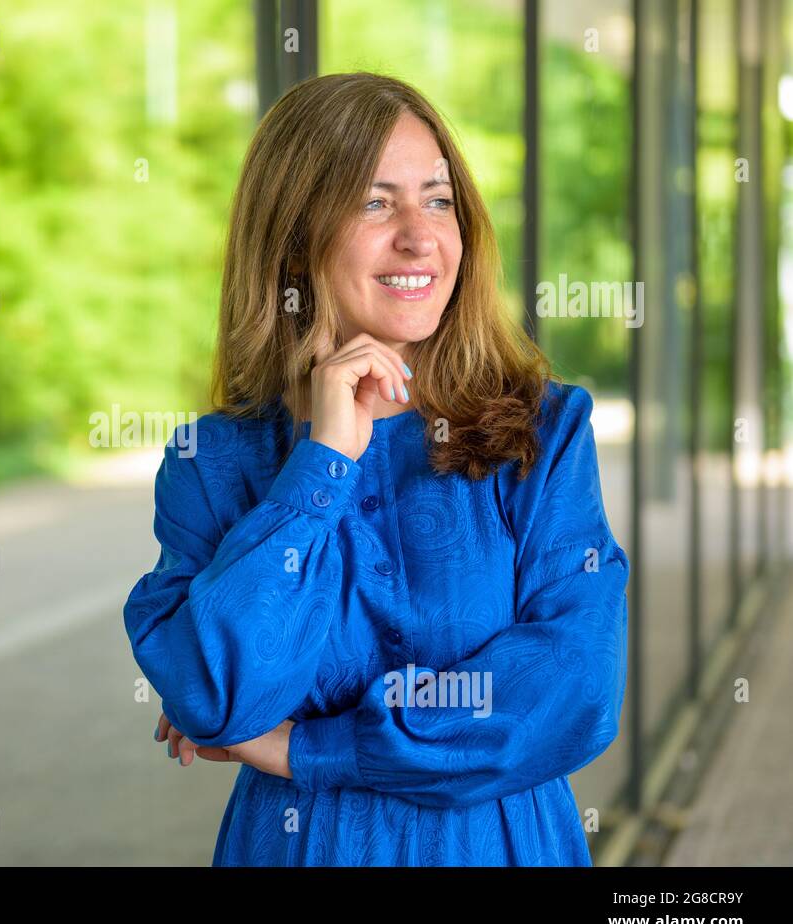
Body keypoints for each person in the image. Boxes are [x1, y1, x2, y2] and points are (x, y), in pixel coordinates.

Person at [122, 72, 629, 866]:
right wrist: (323, 464)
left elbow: (572, 688)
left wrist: (304, 750)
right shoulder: (213, 463)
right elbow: (218, 693)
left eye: (437, 199)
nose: (419, 236)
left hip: (497, 847)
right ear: (293, 241)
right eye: (373, 202)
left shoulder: (544, 432)